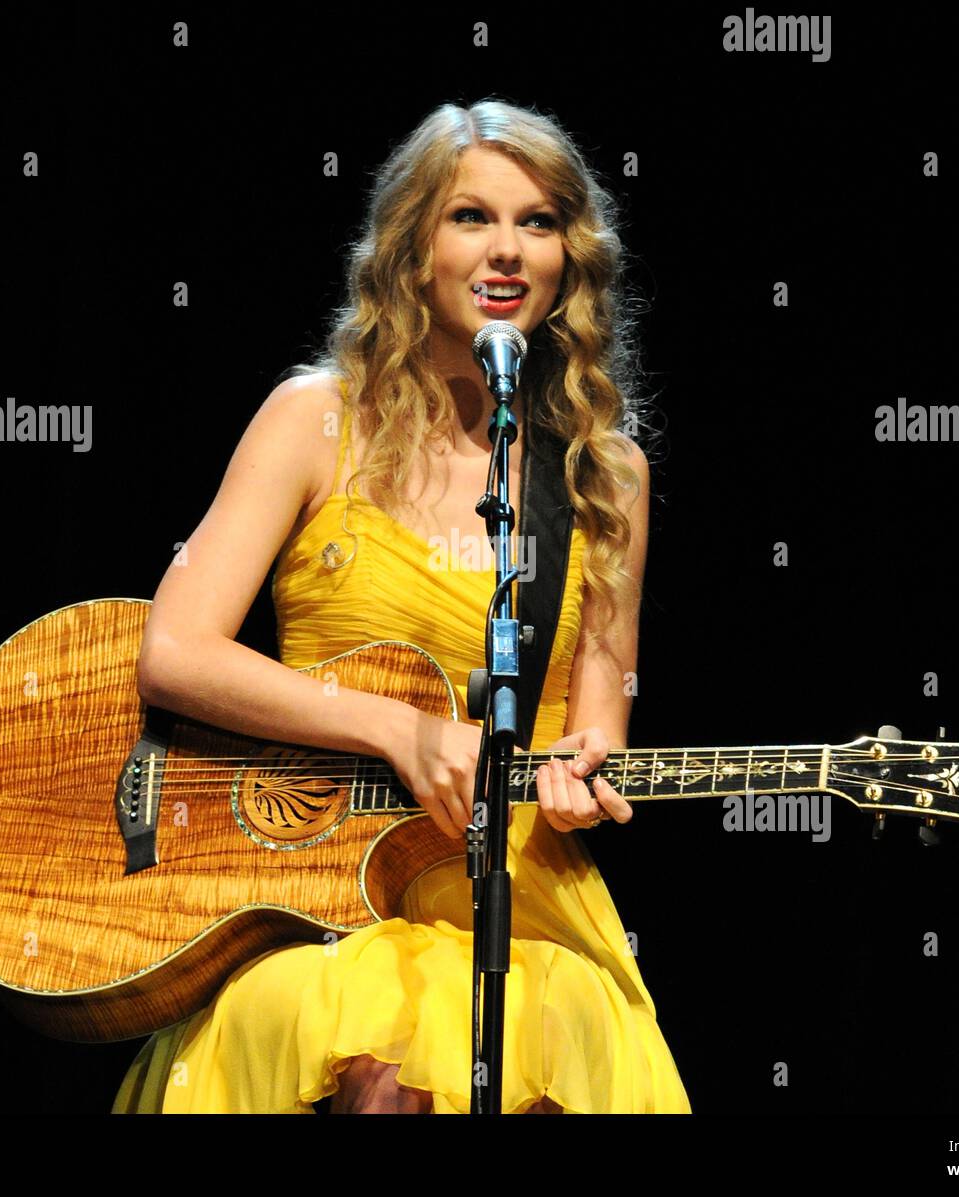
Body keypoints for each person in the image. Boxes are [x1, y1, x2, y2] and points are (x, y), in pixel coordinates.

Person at [111, 99, 690, 1114]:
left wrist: (582, 777)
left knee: (538, 1037)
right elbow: (176, 651)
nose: (506, 248)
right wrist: (399, 729)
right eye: (471, 215)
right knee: (375, 1059)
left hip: (517, 896)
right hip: (313, 901)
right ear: (413, 244)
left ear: (570, 259)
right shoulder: (313, 420)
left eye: (539, 221)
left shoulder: (605, 477)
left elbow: (598, 727)